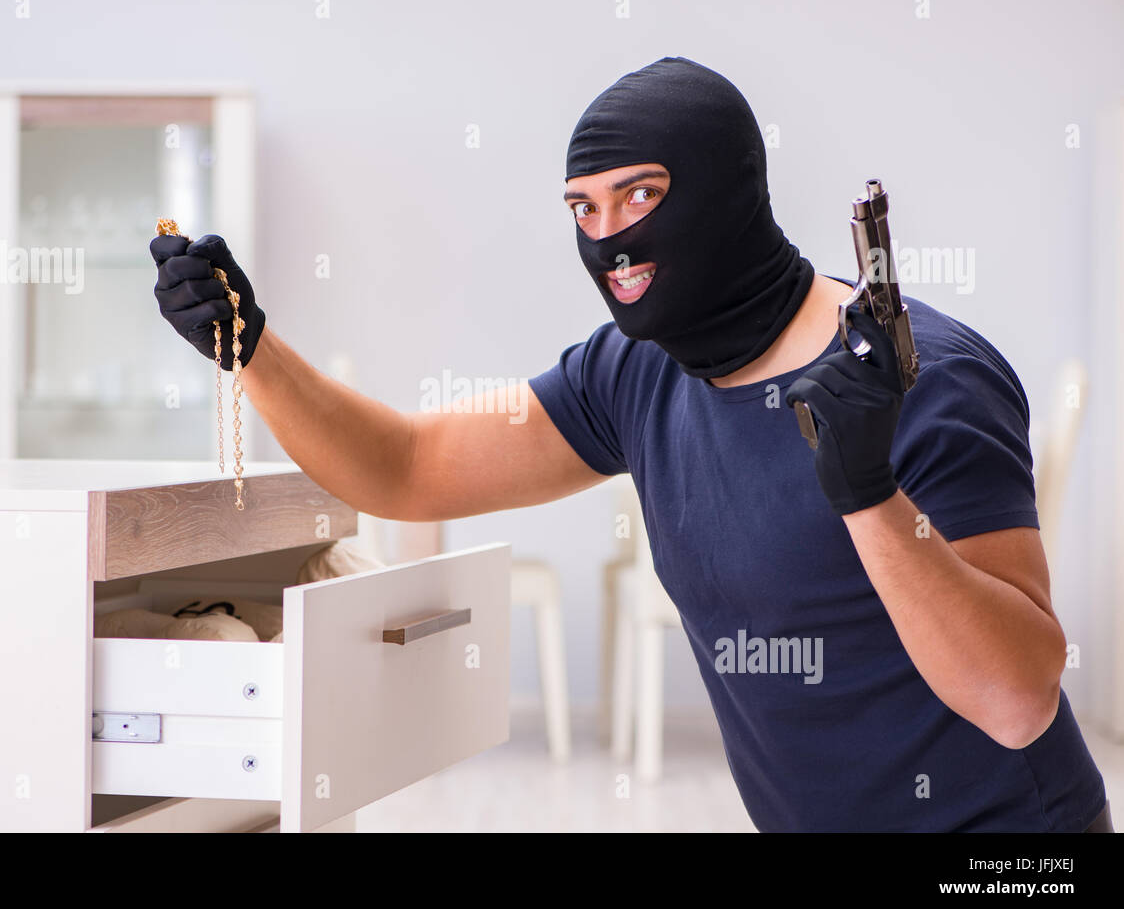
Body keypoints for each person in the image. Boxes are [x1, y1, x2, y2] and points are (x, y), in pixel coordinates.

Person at [150, 56, 1110, 832]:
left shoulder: (924, 375)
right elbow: (404, 467)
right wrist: (251, 347)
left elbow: (1017, 698)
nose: (608, 240)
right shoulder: (633, 372)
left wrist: (869, 495)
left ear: (728, 191)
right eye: (583, 209)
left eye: (639, 197)